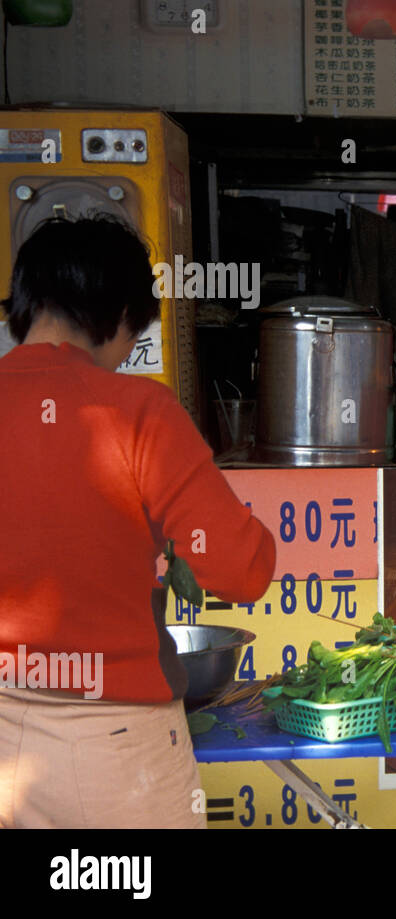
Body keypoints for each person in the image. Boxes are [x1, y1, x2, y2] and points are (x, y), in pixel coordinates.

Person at [0, 216, 275, 828]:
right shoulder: (136, 411)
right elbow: (240, 570)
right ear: (121, 313)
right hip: (109, 749)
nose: (127, 355)